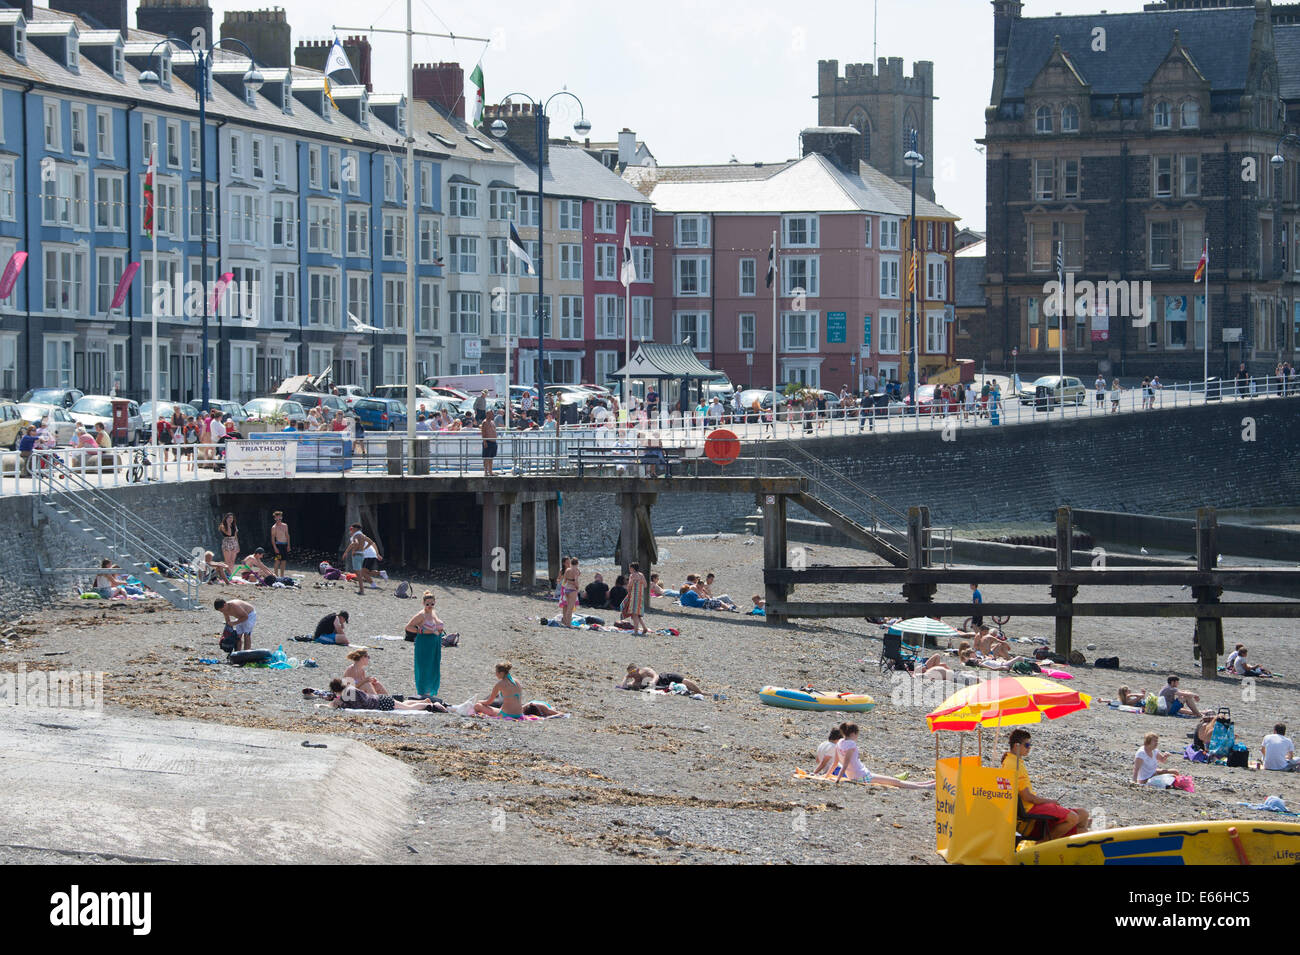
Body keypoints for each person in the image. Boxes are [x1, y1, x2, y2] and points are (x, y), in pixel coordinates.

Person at [1003, 728, 1090, 840]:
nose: (1029, 748)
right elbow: (1028, 797)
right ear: (1017, 746)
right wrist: (1050, 801)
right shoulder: (1014, 765)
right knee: (1073, 818)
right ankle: (1042, 844)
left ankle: (1064, 840)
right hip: (1030, 812)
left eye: (1030, 745)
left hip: (1031, 810)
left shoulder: (1012, 761)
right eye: (1027, 745)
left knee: (1083, 815)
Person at [833, 723, 934, 789]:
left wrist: (827, 775)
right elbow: (845, 764)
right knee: (896, 782)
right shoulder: (851, 744)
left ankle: (925, 783)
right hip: (861, 776)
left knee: (894, 781)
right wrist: (837, 780)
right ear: (853, 733)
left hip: (859, 775)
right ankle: (926, 786)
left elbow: (836, 762)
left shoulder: (840, 742)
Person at [406, 591, 446, 699]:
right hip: (424, 643)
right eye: (427, 604)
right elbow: (408, 627)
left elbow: (436, 627)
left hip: (435, 644)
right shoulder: (421, 615)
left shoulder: (433, 613)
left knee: (433, 667)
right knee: (424, 667)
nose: (430, 606)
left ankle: (429, 692)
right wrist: (421, 631)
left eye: (432, 604)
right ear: (423, 603)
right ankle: (423, 692)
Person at [326, 678, 440, 712]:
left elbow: (357, 705)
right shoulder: (349, 689)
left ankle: (427, 706)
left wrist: (342, 704)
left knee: (407, 708)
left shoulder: (348, 692)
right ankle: (423, 702)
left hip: (381, 702)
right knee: (403, 704)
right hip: (380, 699)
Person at [341, 522, 381, 596]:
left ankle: (361, 590)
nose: (351, 530)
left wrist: (349, 551)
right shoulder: (363, 535)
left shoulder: (355, 536)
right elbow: (371, 542)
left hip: (356, 555)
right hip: (362, 555)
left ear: (355, 529)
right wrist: (363, 548)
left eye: (351, 528)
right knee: (359, 572)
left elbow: (355, 543)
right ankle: (361, 589)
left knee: (358, 573)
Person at [620, 665, 703, 696]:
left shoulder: (645, 670)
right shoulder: (634, 682)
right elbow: (622, 687)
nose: (633, 673)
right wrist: (625, 677)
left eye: (634, 671)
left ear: (638, 669)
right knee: (683, 688)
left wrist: (653, 682)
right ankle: (695, 693)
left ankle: (701, 692)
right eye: (630, 673)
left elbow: (655, 675)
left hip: (663, 678)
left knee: (685, 681)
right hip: (661, 686)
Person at [625, 561, 648, 634]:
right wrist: (640, 580)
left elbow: (629, 586)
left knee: (634, 614)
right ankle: (644, 628)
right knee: (637, 613)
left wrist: (632, 580)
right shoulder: (641, 575)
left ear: (632, 568)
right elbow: (645, 585)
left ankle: (636, 631)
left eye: (630, 568)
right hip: (640, 596)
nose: (629, 569)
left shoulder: (632, 575)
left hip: (634, 596)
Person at [559, 556, 580, 626]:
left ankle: (566, 621)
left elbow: (564, 580)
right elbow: (576, 581)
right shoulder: (576, 571)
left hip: (566, 589)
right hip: (572, 589)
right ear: (577, 563)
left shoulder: (567, 570)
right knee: (570, 608)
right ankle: (568, 624)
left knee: (567, 607)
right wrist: (577, 587)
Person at [270, 511, 291, 575]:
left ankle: (282, 576)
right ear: (275, 518)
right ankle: (276, 576)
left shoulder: (285, 525)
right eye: (277, 518)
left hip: (285, 545)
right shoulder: (274, 527)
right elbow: (272, 538)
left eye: (279, 518)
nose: (278, 520)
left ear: (281, 517)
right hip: (278, 545)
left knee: (284, 561)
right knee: (277, 561)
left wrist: (288, 545)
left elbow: (287, 535)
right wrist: (275, 548)